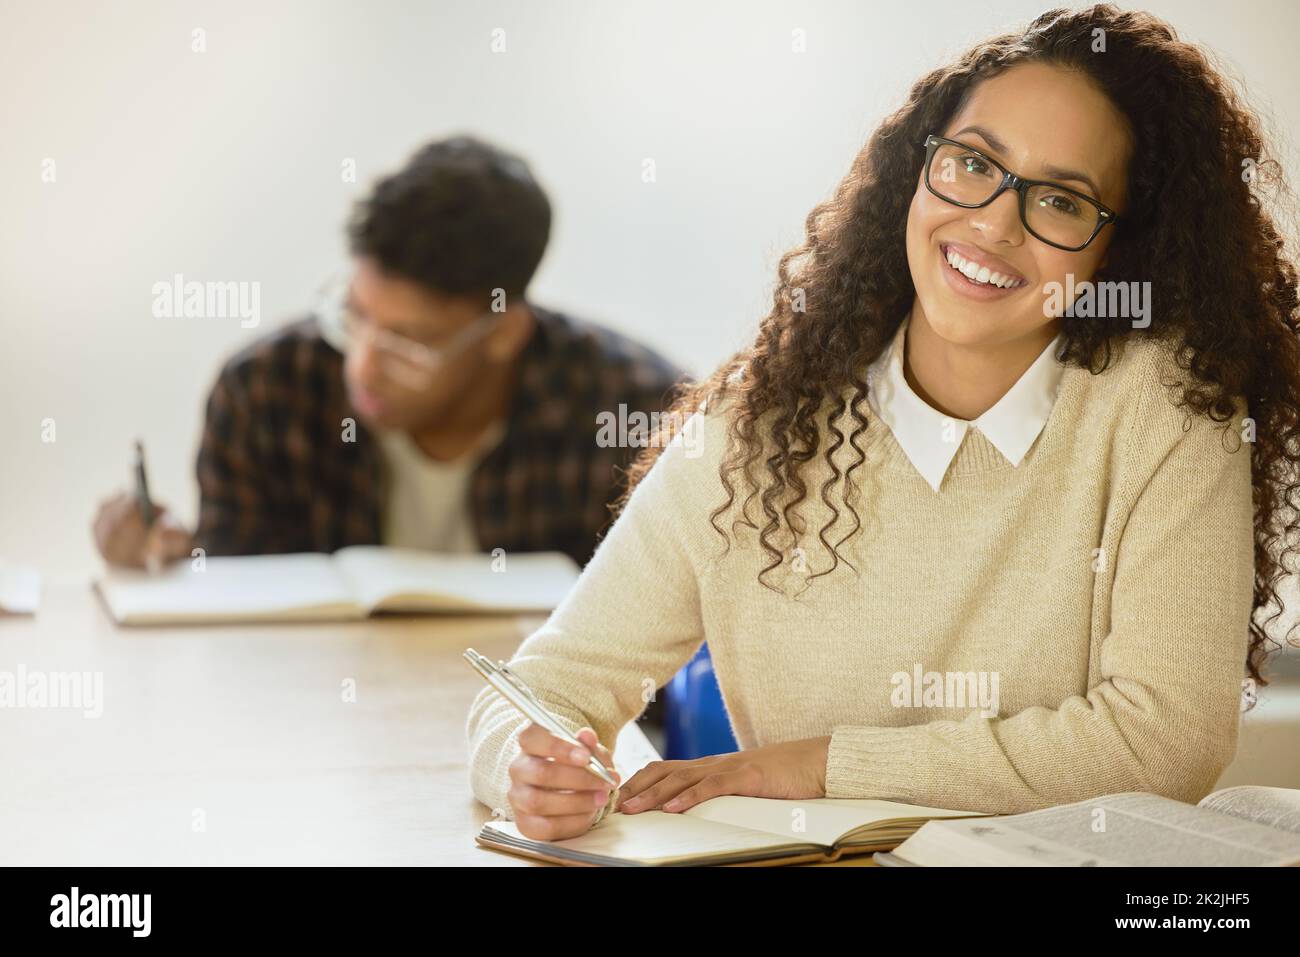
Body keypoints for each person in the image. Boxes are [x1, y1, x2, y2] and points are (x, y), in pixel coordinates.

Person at [466, 4, 1300, 842]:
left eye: (1062, 200)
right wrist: (533, 766)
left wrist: (819, 764)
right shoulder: (760, 422)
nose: (994, 224)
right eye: (974, 164)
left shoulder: (1171, 412)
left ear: (1119, 250)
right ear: (918, 167)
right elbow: (546, 683)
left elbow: (1164, 740)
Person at [92, 135, 687, 572]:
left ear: (504, 331)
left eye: (409, 343)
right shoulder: (268, 389)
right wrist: (165, 558)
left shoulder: (632, 410)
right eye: (355, 317)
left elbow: (669, 652)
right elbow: (239, 602)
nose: (364, 366)